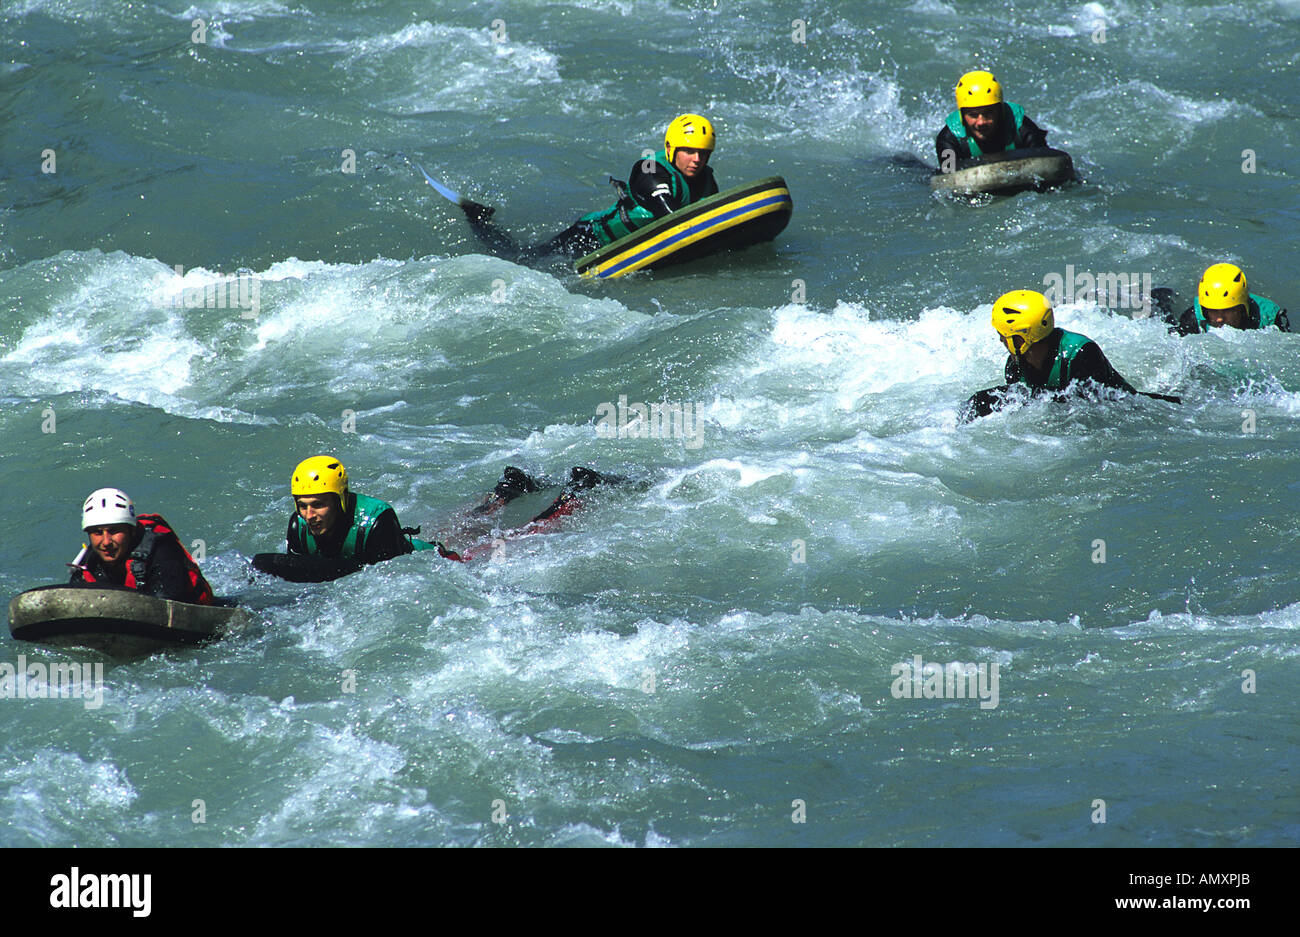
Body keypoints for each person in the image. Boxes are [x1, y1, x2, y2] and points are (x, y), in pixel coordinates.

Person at [961, 289, 1178, 421]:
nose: (1000, 340)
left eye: (1004, 335)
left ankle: (1161, 305)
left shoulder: (1082, 354)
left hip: (1133, 406)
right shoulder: (1015, 365)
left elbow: (1107, 408)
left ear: (1022, 337)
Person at [528, 113, 720, 258]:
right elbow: (673, 220)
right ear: (670, 149)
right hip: (589, 238)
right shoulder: (649, 171)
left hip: (624, 243)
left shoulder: (706, 180)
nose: (697, 159)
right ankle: (497, 234)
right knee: (529, 259)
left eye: (703, 153)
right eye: (689, 151)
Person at [69, 487, 214, 605]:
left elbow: (169, 608)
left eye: (114, 531)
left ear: (131, 531)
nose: (106, 542)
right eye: (97, 533)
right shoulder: (86, 566)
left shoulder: (162, 552)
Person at [935, 71, 1048, 168]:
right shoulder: (950, 138)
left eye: (988, 113)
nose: (981, 122)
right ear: (962, 115)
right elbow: (947, 178)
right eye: (973, 115)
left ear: (1000, 110)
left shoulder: (1021, 126)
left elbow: (1046, 164)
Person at [1169, 263, 1289, 335]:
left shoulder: (1269, 319)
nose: (1220, 318)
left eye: (1227, 310)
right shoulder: (1192, 319)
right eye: (1213, 311)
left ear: (1242, 308)